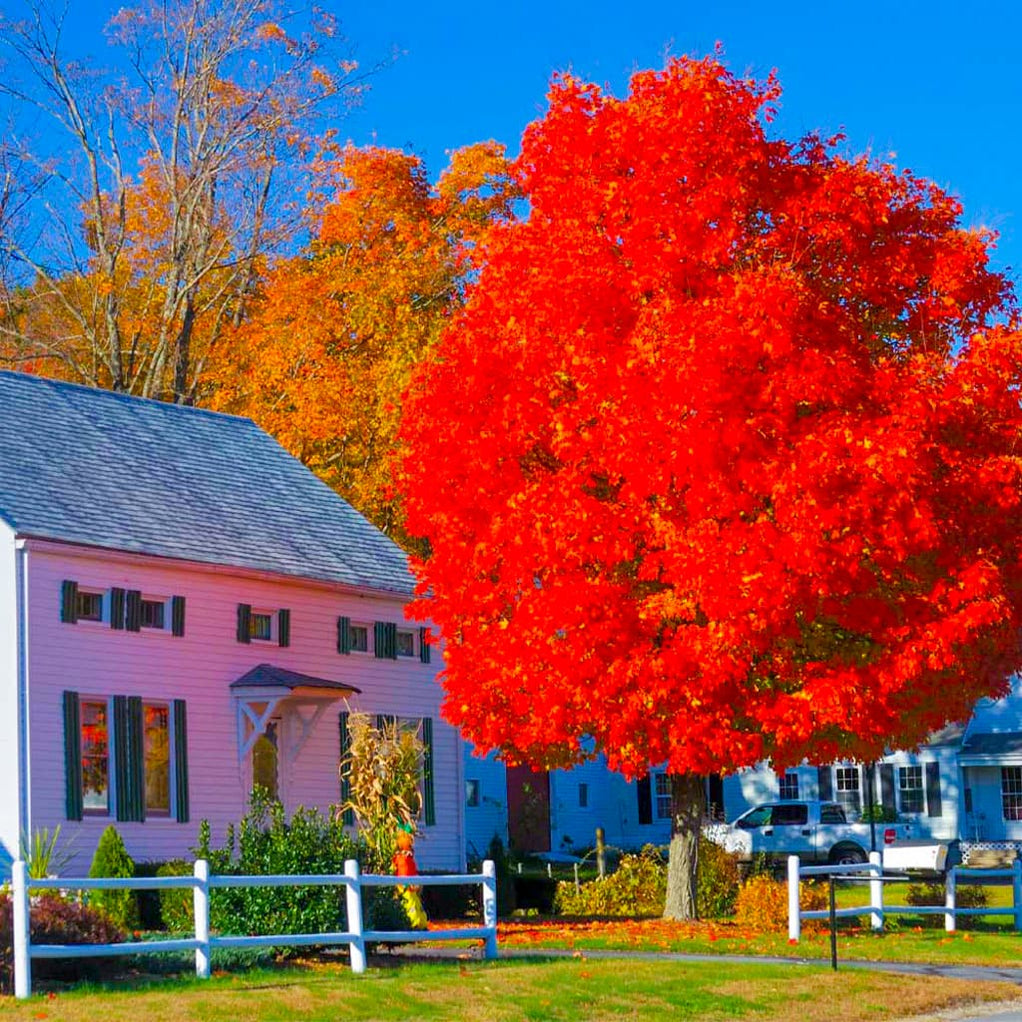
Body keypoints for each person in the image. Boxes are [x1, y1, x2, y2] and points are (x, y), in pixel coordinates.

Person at [392, 825, 428, 929]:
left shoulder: (408, 858)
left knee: (417, 906)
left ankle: (421, 924)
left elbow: (411, 871)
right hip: (405, 887)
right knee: (411, 907)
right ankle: (414, 925)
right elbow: (401, 872)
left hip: (411, 887)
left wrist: (416, 881)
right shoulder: (400, 858)